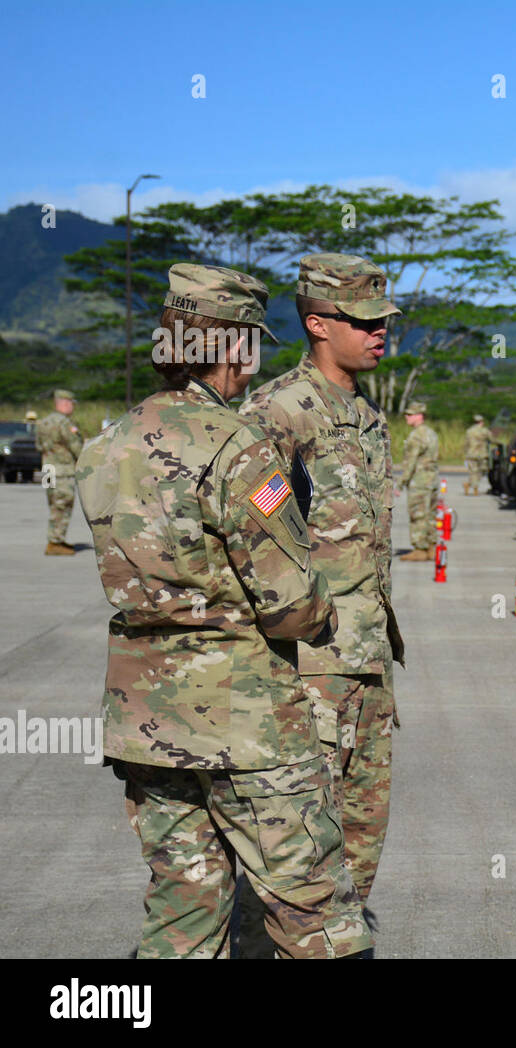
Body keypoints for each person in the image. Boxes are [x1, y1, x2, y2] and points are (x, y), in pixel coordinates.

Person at [74, 263, 371, 958]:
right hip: (246, 723)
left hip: (148, 719)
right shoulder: (239, 447)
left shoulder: (106, 445)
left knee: (181, 913)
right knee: (315, 912)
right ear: (234, 347)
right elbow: (292, 602)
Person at [240, 253, 405, 907]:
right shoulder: (278, 415)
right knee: (296, 852)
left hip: (366, 661)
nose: (378, 331)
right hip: (306, 669)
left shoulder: (367, 417)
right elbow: (253, 541)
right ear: (316, 323)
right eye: (362, 320)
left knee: (361, 842)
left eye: (382, 319)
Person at [35, 389, 82, 555]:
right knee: (63, 505)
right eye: (71, 403)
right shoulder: (64, 423)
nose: (72, 407)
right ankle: (55, 542)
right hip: (62, 471)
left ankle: (56, 539)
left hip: (47, 470)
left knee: (53, 505)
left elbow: (39, 446)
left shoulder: (43, 422)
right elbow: (76, 447)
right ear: (64, 403)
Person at [397, 401, 439, 562]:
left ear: (419, 415)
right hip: (432, 479)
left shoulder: (416, 436)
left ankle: (420, 548)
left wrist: (401, 481)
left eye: (410, 414)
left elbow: (411, 461)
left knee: (418, 514)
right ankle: (431, 547)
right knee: (430, 515)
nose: (406, 417)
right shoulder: (431, 433)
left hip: (419, 481)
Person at [463, 413, 490, 495]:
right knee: (483, 470)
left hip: (471, 454)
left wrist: (466, 452)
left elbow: (466, 443)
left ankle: (469, 484)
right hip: (482, 454)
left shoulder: (469, 431)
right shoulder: (485, 431)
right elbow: (492, 439)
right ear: (482, 422)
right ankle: (475, 488)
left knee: (473, 472)